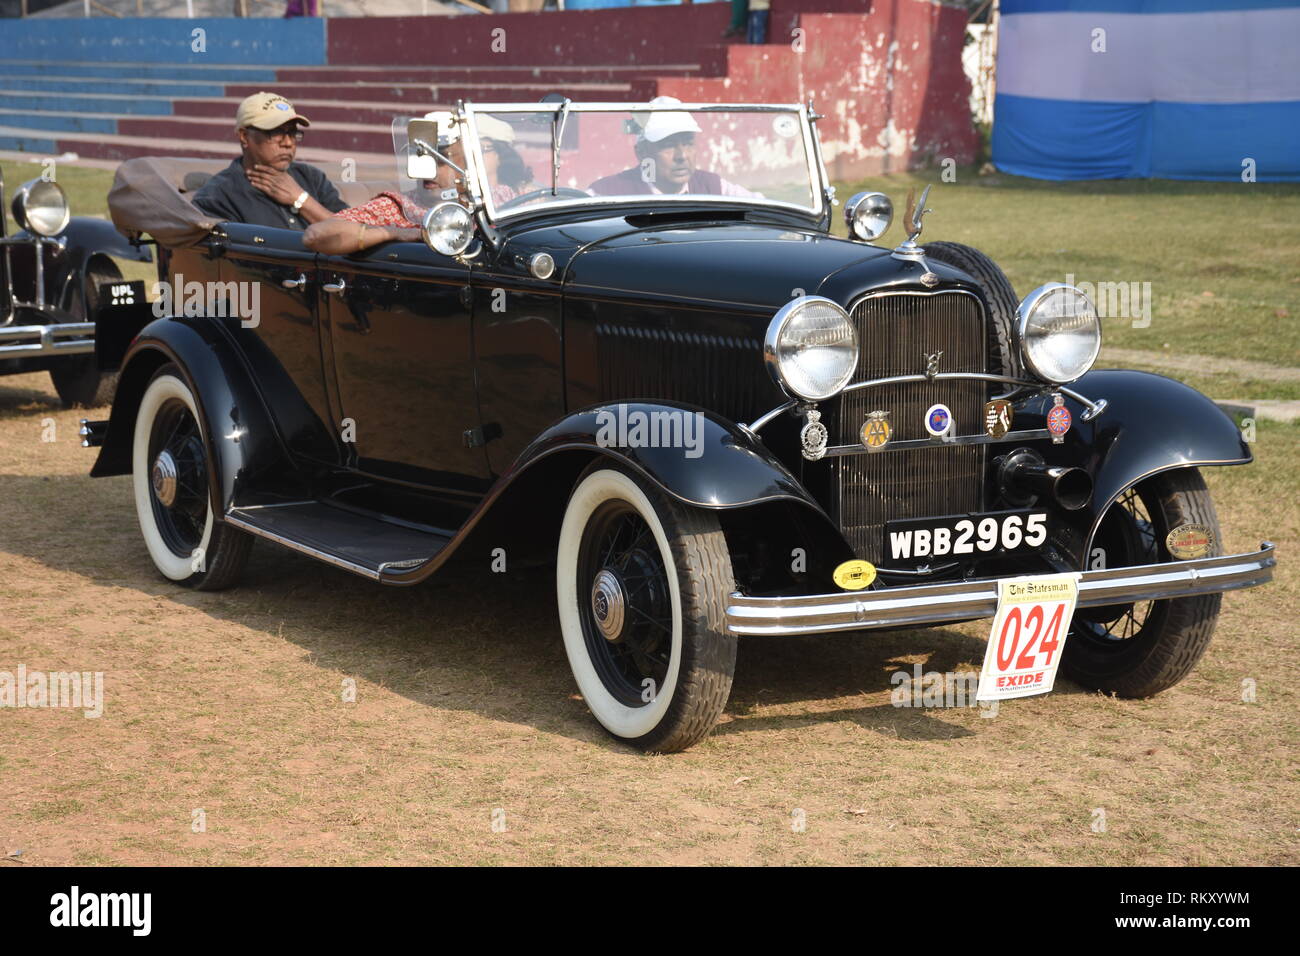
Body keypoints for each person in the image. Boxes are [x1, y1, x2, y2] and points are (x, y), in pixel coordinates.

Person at [303, 114, 527, 255]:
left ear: (468, 164)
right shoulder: (398, 207)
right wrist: (393, 232)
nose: (428, 171)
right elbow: (316, 235)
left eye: (441, 160)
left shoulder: (497, 197)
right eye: (421, 159)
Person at [192, 92, 346, 231]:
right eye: (276, 132)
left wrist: (302, 200)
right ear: (245, 136)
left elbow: (355, 232)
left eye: (292, 133)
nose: (288, 143)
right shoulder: (218, 196)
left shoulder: (312, 178)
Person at [587, 96, 761, 199]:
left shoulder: (713, 187)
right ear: (641, 153)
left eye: (688, 143)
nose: (682, 155)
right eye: (668, 145)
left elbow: (762, 209)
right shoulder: (608, 192)